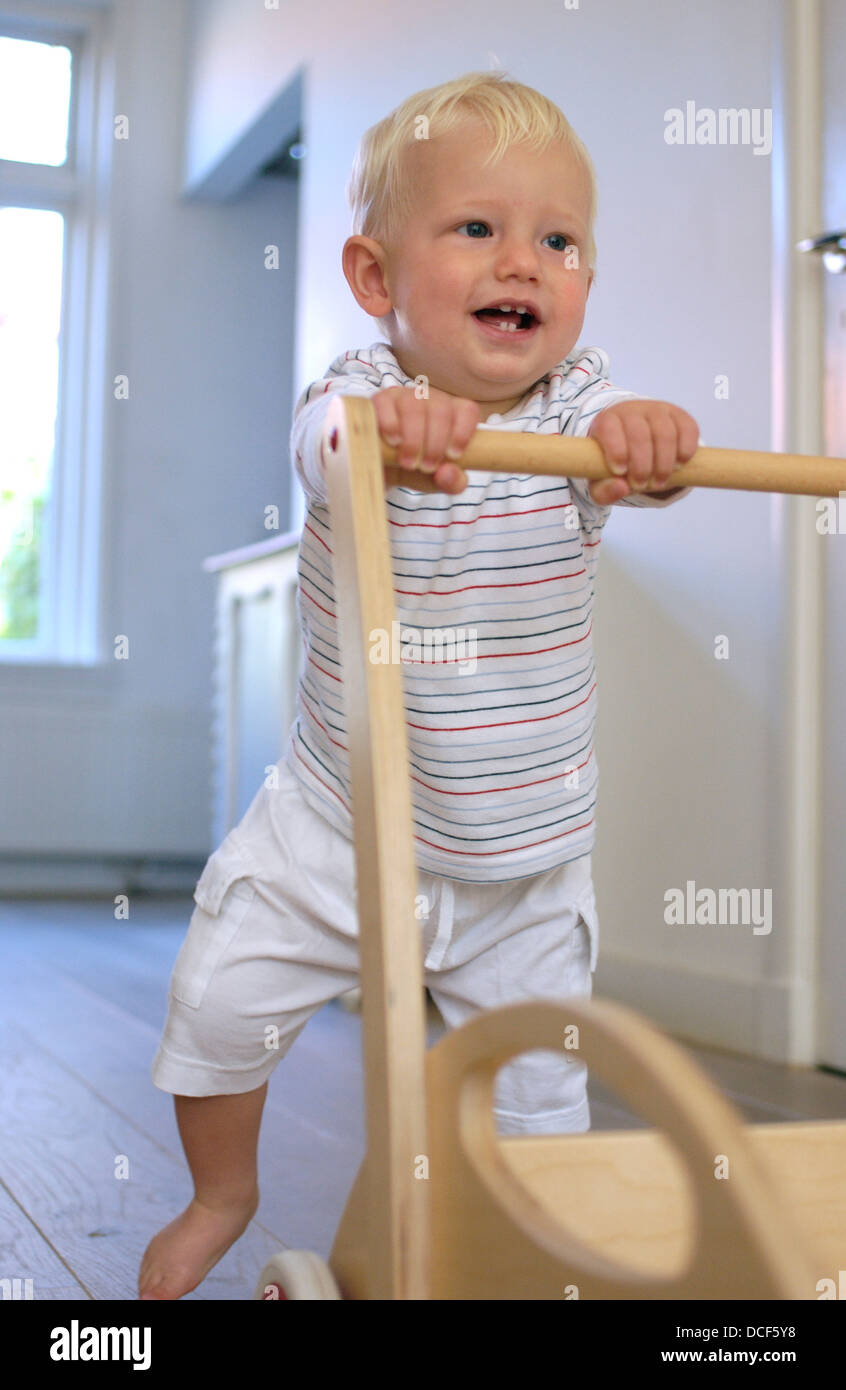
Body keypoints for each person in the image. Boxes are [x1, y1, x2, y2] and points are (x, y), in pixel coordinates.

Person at [139, 70, 698, 1300]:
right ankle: (221, 1194)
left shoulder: (578, 411)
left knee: (543, 1097)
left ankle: (530, 1255)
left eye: (558, 239)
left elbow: (637, 463)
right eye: (479, 229)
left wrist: (652, 447)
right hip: (340, 825)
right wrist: (389, 431)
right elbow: (327, 446)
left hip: (525, 860)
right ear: (378, 281)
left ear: (584, 282)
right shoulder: (349, 395)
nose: (525, 261)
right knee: (220, 1003)